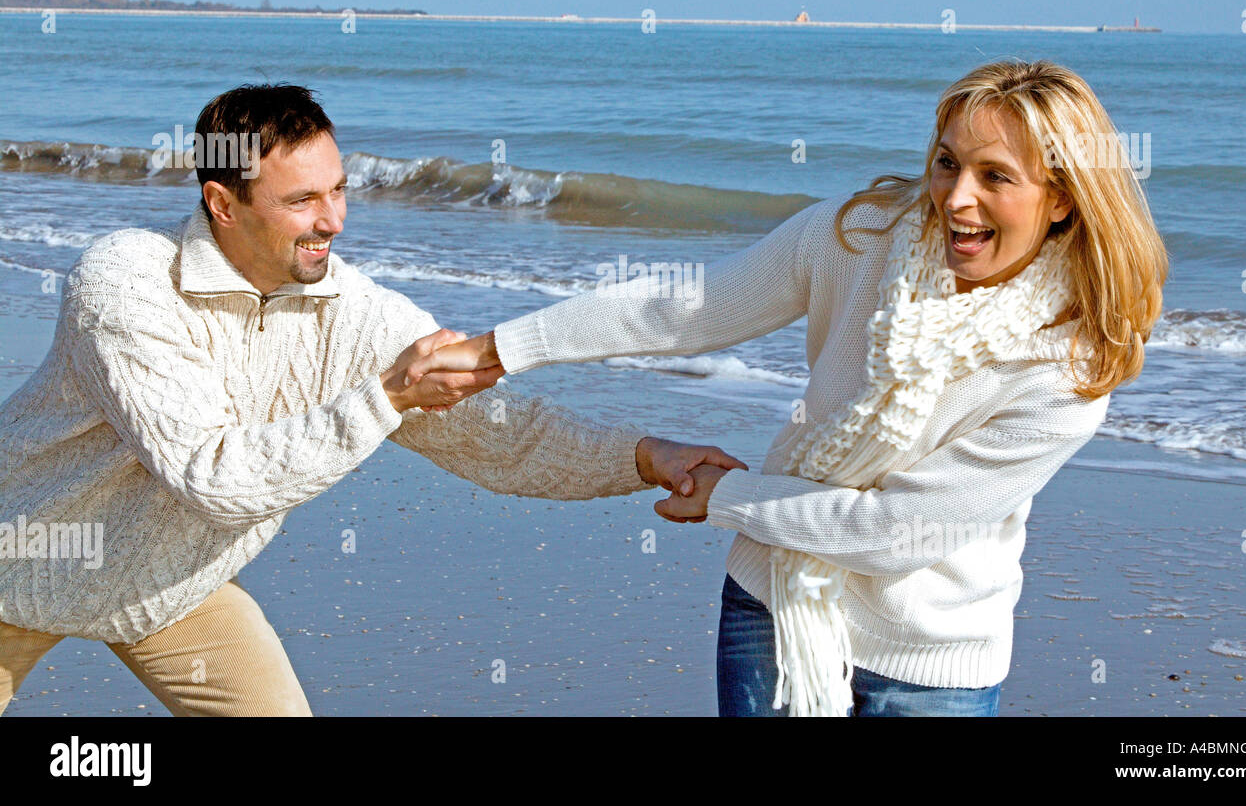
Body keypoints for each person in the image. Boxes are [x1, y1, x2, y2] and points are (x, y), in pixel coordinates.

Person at [414, 60, 1169, 716]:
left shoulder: (1066, 368)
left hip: (931, 656)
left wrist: (727, 498)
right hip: (774, 601)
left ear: (1063, 197)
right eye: (947, 163)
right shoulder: (860, 237)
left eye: (995, 177)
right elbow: (686, 309)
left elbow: (899, 531)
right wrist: (501, 349)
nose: (955, 199)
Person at [0, 84, 741, 716]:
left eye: (339, 189)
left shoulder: (349, 307)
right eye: (302, 200)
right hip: (22, 565)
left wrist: (644, 457)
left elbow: (495, 434)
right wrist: (385, 397)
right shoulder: (125, 281)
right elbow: (211, 476)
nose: (334, 221)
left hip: (172, 585)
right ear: (222, 203)